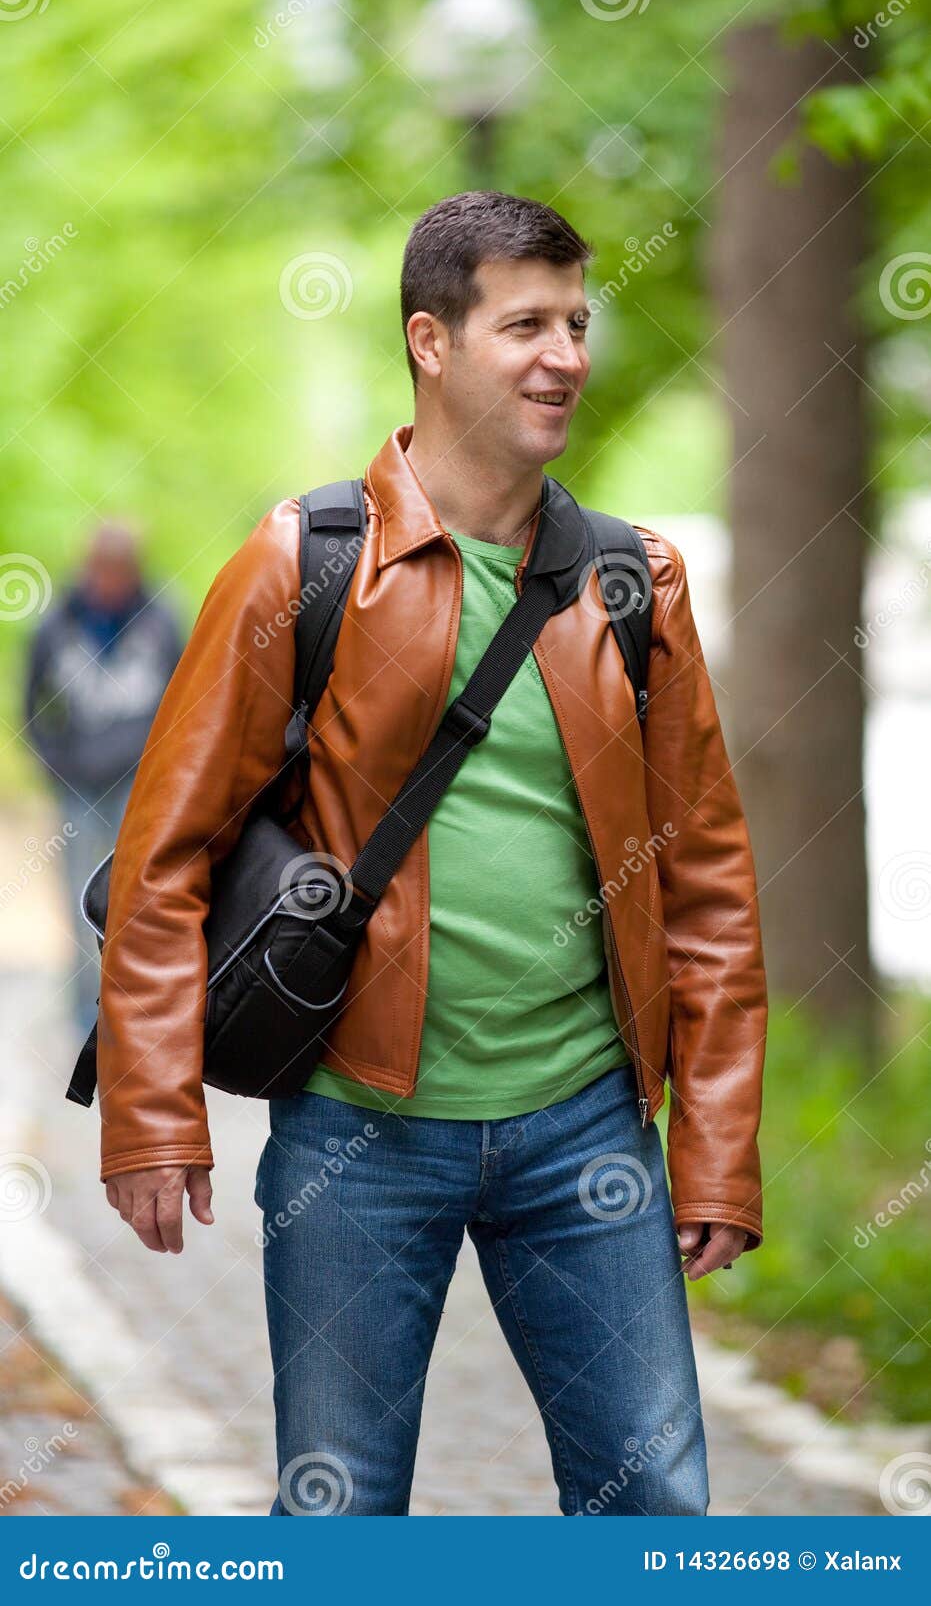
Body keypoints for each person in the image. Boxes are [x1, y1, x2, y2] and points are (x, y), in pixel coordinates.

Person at [94, 192, 767, 1516]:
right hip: (357, 1129)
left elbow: (705, 887)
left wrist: (716, 1144)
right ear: (431, 340)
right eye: (525, 325)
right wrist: (153, 1110)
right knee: (340, 1517)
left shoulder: (634, 582)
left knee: (655, 1513)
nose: (564, 355)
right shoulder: (306, 558)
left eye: (575, 323)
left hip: (586, 1127)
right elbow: (166, 852)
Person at [23, 519, 183, 1038]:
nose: (108, 582)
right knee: (78, 898)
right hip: (76, 786)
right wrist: (54, 763)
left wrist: (164, 766)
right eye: (101, 570)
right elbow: (30, 705)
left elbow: (186, 698)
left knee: (136, 898)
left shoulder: (161, 620)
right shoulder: (57, 622)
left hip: (138, 782)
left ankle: (132, 1012)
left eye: (119, 572)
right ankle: (84, 1021)